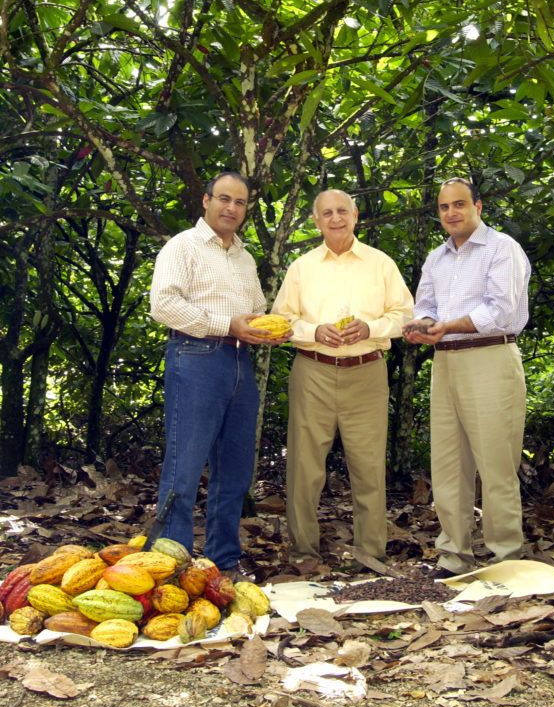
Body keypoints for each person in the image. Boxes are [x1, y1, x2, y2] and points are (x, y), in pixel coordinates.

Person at [150, 171, 288, 578]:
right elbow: (164, 305)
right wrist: (229, 325)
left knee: (235, 468)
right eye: (224, 199)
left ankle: (222, 561)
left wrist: (268, 329)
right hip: (195, 356)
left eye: (240, 202)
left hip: (240, 361)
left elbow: (254, 308)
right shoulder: (184, 247)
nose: (231, 208)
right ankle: (168, 566)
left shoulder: (243, 257)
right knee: (185, 464)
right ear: (206, 201)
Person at [272, 189, 414, 562]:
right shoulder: (301, 267)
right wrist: (313, 331)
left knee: (368, 467)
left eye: (342, 211)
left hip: (366, 373)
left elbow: (407, 315)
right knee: (304, 467)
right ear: (316, 221)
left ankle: (371, 554)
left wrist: (371, 328)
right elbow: (281, 320)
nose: (335, 218)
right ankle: (303, 552)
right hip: (312, 371)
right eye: (327, 213)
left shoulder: (380, 263)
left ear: (355, 215)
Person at [404, 177, 531, 576]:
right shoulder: (436, 259)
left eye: (459, 204)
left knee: (495, 463)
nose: (451, 213)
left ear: (478, 206)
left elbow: (502, 311)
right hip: (446, 363)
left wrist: (447, 325)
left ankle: (506, 557)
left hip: (490, 358)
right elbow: (424, 305)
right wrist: (422, 326)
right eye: (444, 207)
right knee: (447, 465)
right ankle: (454, 556)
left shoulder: (502, 248)